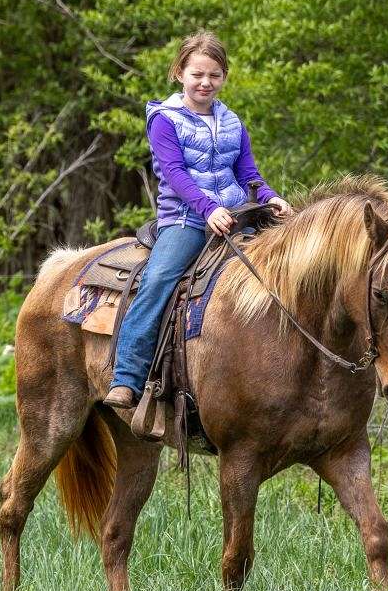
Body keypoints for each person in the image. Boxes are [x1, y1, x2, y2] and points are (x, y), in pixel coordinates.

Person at [104, 31, 292, 409]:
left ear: (224, 77)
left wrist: (270, 198)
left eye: (214, 75)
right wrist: (208, 209)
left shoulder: (232, 122)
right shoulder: (165, 120)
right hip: (185, 218)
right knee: (158, 279)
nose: (206, 82)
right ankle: (127, 375)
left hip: (236, 214)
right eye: (197, 74)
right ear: (180, 73)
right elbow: (174, 173)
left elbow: (247, 173)